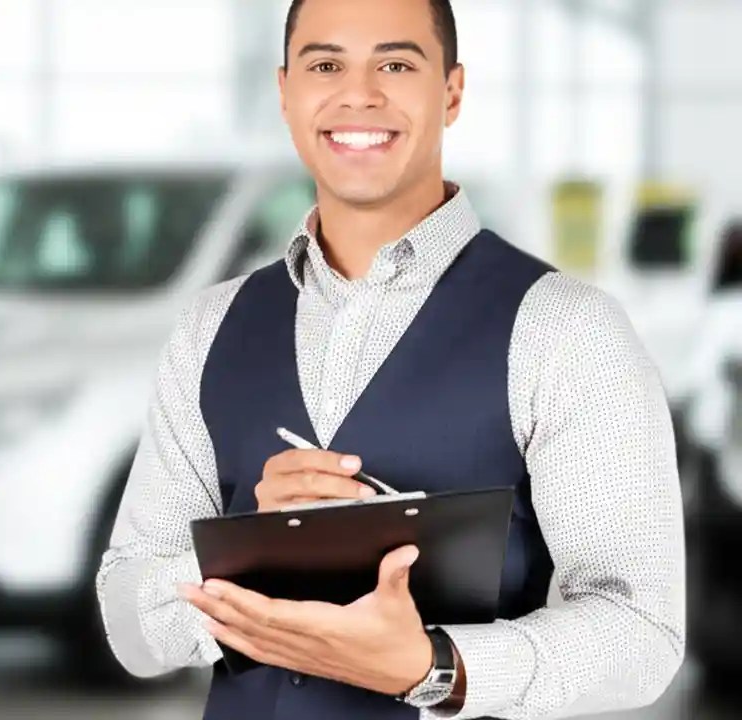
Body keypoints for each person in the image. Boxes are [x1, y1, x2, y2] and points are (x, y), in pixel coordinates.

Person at [94, 0, 685, 717]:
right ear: (286, 93)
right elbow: (131, 628)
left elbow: (641, 635)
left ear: (453, 91)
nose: (359, 92)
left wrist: (433, 666)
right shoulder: (208, 329)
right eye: (326, 64)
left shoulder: (566, 330)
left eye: (397, 64)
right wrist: (253, 549)